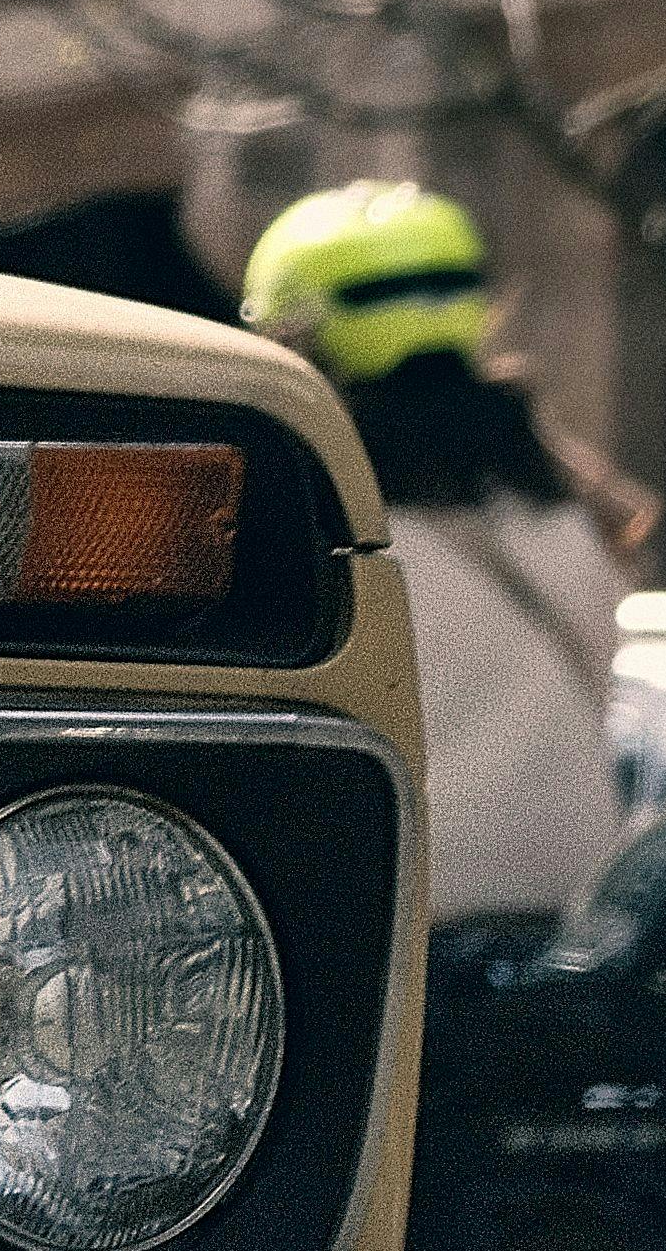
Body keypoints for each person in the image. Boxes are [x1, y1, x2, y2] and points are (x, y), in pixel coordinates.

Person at [244, 181, 641, 924]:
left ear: (296, 333)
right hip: (570, 901)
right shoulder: (564, 506)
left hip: (398, 907)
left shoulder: (309, 521)